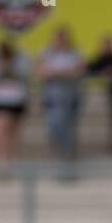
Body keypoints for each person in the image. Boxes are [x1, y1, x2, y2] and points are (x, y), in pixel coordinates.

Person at [37, 27, 85, 167]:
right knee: (55, 125)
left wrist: (61, 73)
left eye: (63, 38)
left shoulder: (74, 53)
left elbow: (80, 70)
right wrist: (58, 73)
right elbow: (40, 71)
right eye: (58, 38)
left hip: (70, 96)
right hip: (53, 97)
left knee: (68, 128)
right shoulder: (46, 53)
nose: (60, 41)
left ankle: (67, 159)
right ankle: (61, 153)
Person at [0, 39, 31, 168]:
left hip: (16, 99)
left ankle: (14, 159)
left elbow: (27, 71)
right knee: (1, 130)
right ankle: (3, 160)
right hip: (0, 100)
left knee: (14, 132)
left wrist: (13, 66)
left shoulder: (20, 58)